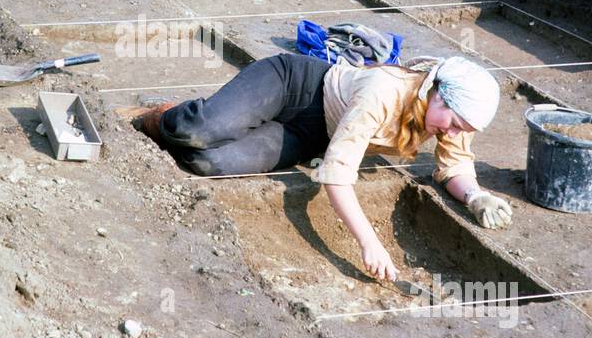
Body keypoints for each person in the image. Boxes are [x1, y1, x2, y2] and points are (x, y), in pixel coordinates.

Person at [129, 52, 513, 281]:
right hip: (293, 85)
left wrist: (476, 196)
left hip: (312, 135)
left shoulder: (451, 115)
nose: (454, 132)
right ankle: (162, 115)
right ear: (438, 95)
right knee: (198, 130)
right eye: (454, 123)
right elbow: (337, 176)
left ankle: (215, 126)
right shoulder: (385, 90)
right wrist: (370, 244)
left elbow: (453, 166)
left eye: (463, 129)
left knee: (208, 161)